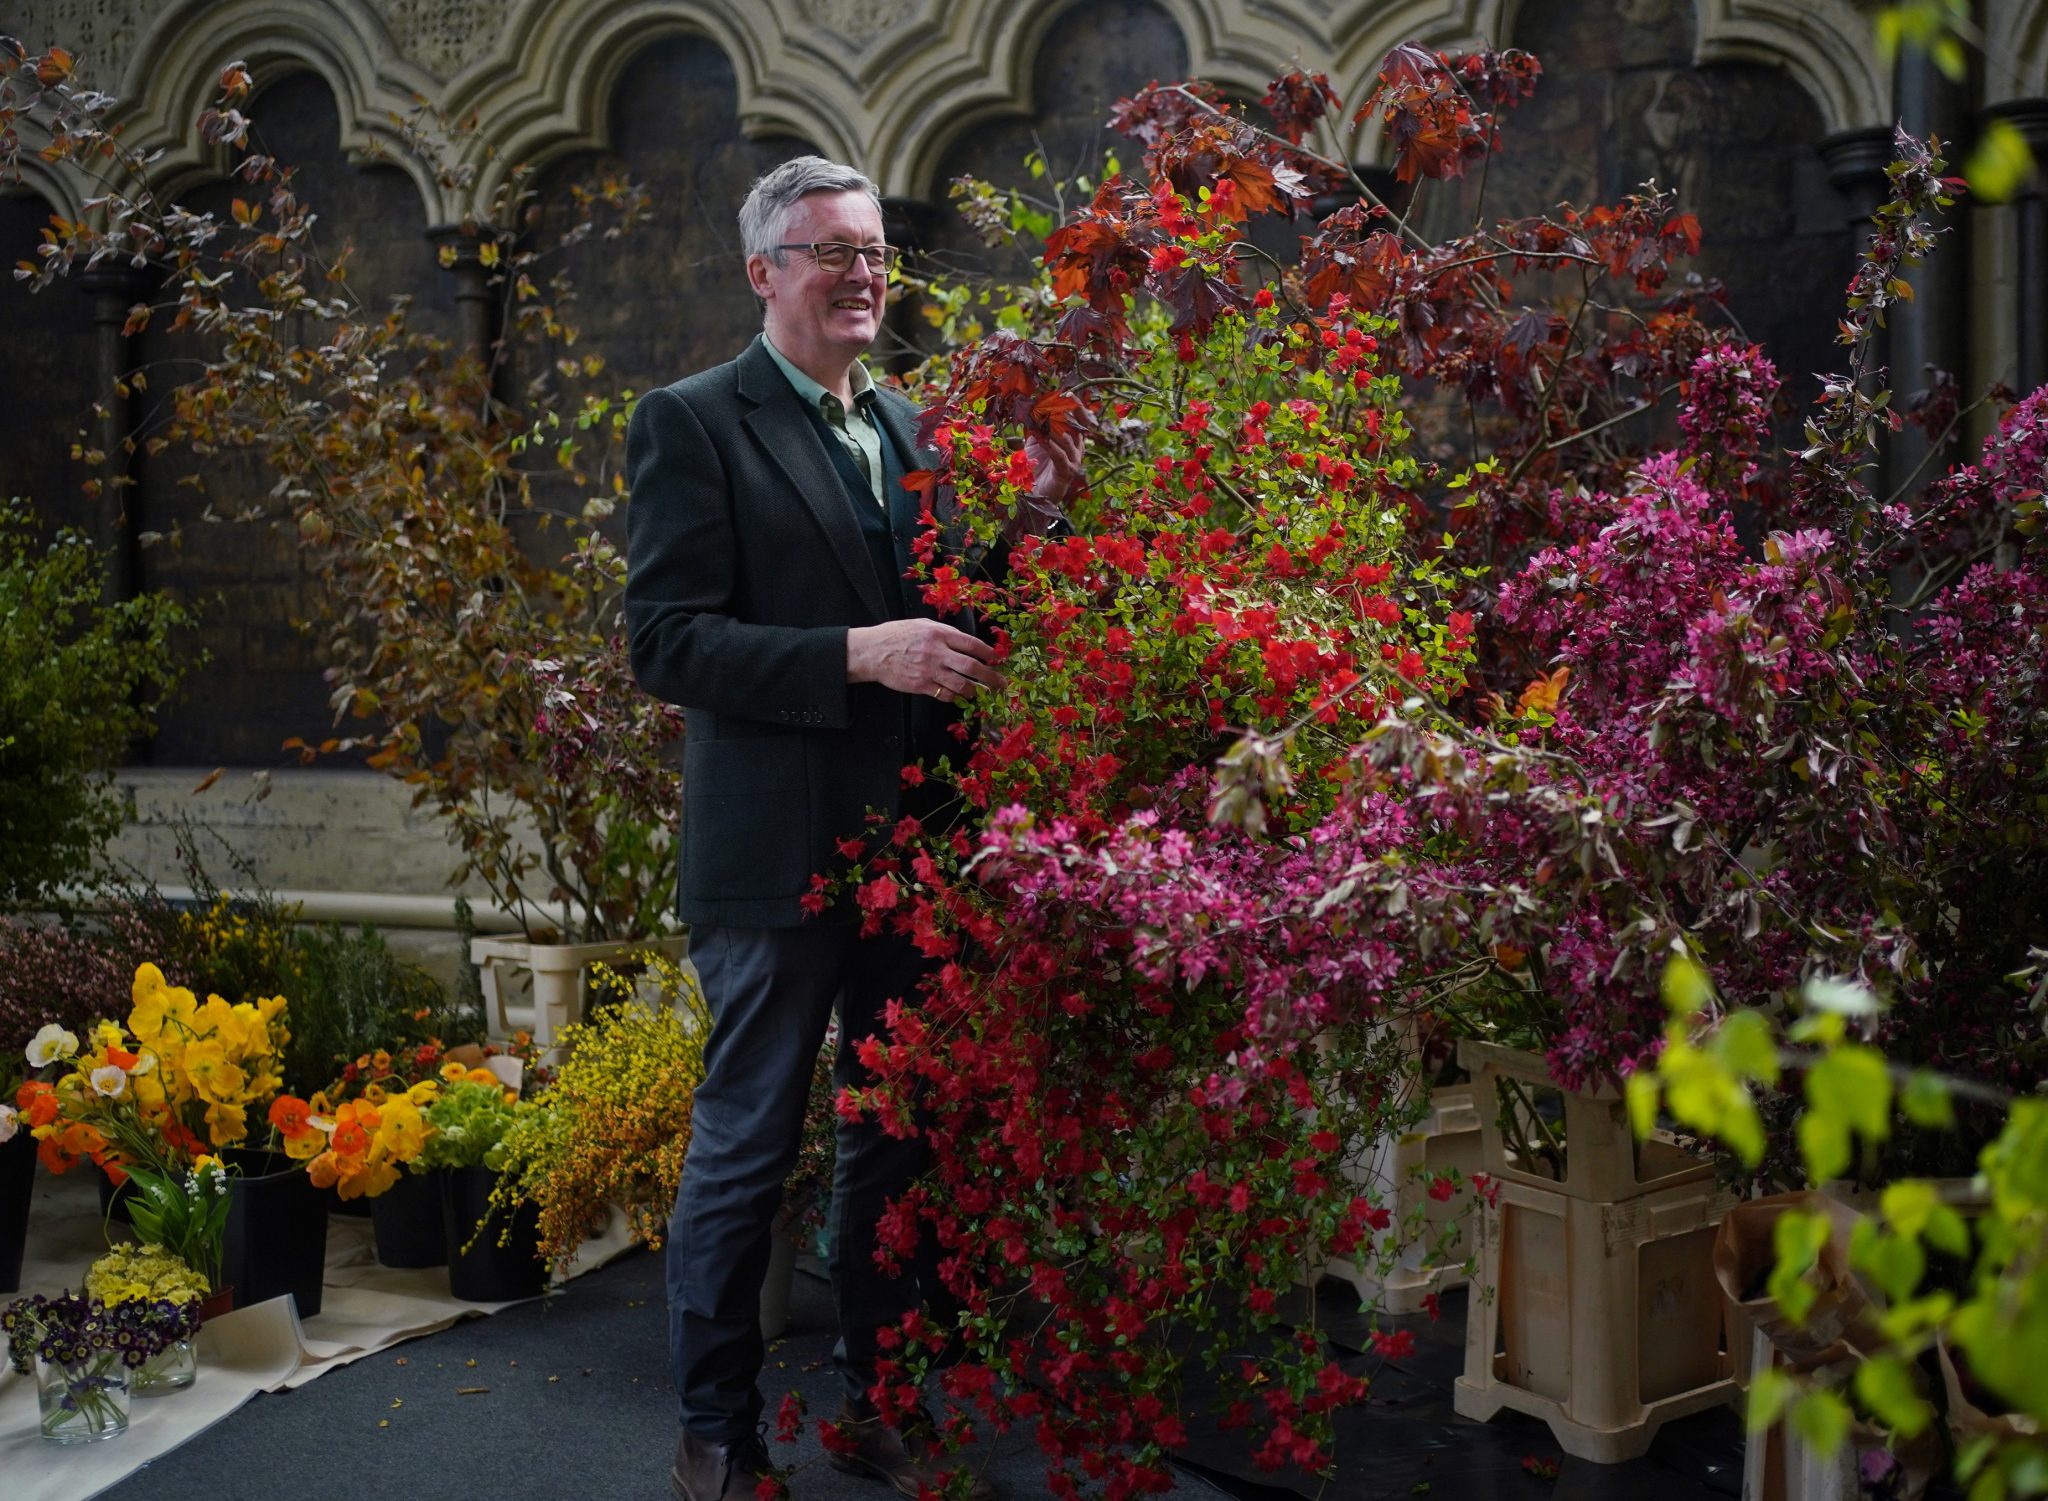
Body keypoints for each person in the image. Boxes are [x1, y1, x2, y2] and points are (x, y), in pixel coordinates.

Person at [624, 156, 1077, 1501]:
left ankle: (882, 1403)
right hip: (777, 860)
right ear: (765, 271)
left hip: (918, 856)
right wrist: (856, 655)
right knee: (748, 1143)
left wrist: (1040, 515)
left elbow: (963, 621)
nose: (862, 272)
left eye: (875, 250)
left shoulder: (918, 433)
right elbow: (667, 642)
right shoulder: (694, 422)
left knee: (901, 1137)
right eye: (831, 249)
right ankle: (716, 1432)